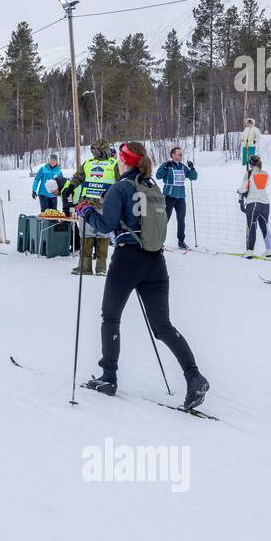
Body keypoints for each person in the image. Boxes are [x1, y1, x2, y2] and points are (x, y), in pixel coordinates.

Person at [75, 141, 209, 410]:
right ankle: (194, 376)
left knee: (110, 317)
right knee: (163, 326)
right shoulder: (151, 185)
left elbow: (106, 224)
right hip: (155, 260)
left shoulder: (120, 187)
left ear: (123, 162)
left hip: (127, 259)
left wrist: (86, 211)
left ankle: (109, 377)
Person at [67, 140, 117, 275]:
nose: (95, 152)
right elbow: (78, 177)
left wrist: (111, 192)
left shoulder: (114, 164)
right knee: (85, 234)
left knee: (102, 234)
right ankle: (84, 267)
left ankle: (101, 267)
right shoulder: (88, 163)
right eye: (93, 150)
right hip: (86, 204)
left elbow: (121, 182)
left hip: (104, 205)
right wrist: (71, 186)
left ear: (105, 150)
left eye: (97, 150)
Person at [155, 147, 197, 249]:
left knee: (181, 219)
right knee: (165, 219)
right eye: (179, 154)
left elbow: (193, 177)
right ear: (173, 155)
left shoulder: (183, 167)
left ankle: (181, 241)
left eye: (181, 154)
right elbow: (158, 176)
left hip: (180, 197)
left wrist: (192, 168)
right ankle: (158, 241)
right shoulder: (167, 165)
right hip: (169, 196)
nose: (181, 156)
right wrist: (165, 168)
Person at [238, 156, 271, 257]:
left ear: (251, 164)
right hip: (265, 203)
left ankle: (250, 251)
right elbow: (263, 186)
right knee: (264, 226)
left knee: (252, 226)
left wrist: (239, 191)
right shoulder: (266, 174)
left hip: (253, 203)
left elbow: (243, 189)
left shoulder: (249, 173)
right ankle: (268, 250)